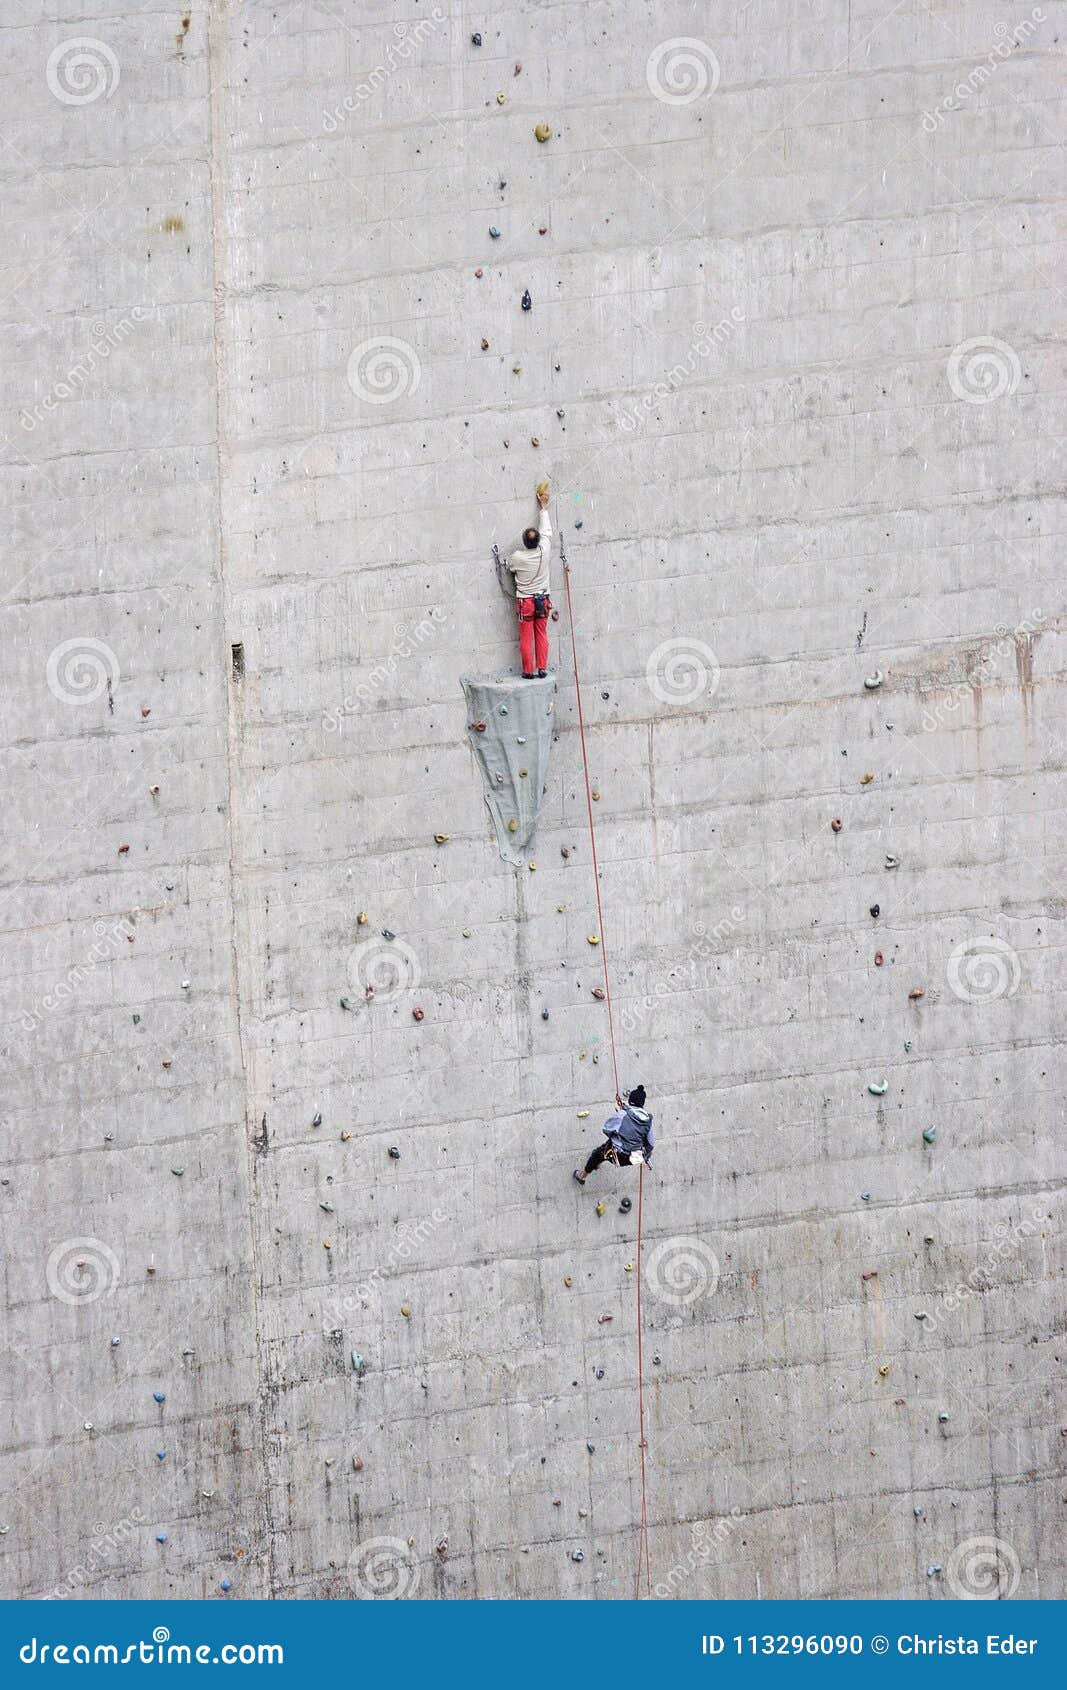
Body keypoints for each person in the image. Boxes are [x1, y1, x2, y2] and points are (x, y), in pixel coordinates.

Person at [506, 483, 552, 678]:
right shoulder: (545, 549)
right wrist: (543, 507)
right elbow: (547, 530)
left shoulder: (518, 557)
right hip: (543, 599)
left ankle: (528, 671)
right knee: (541, 634)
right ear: (538, 540)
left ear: (525, 542)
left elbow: (509, 566)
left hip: (526, 602)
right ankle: (542, 668)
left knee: (526, 636)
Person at [573, 1086, 654, 1183]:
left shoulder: (622, 1115)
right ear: (642, 1104)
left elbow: (607, 1129)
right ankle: (600, 1161)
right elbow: (650, 1143)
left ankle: (582, 1176)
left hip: (618, 1155)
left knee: (596, 1155)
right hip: (635, 1158)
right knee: (603, 1152)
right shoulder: (647, 1121)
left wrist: (620, 1115)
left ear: (630, 1100)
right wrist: (645, 1156)